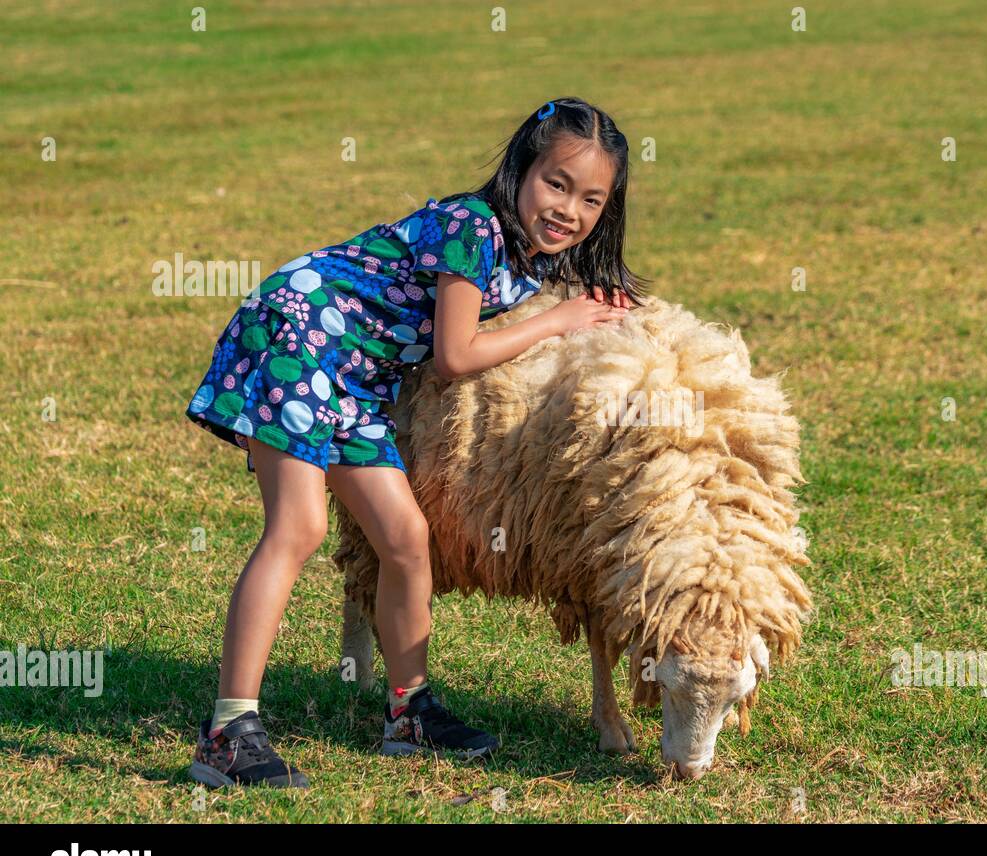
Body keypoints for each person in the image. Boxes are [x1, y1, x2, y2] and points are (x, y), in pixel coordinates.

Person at [184, 97, 650, 788]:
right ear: (521, 167)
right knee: (299, 526)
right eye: (556, 183)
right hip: (298, 334)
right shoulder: (472, 228)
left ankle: (409, 712)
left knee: (406, 535)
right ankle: (228, 731)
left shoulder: (526, 254)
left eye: (590, 199)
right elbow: (455, 355)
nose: (568, 210)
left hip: (354, 373)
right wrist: (559, 323)